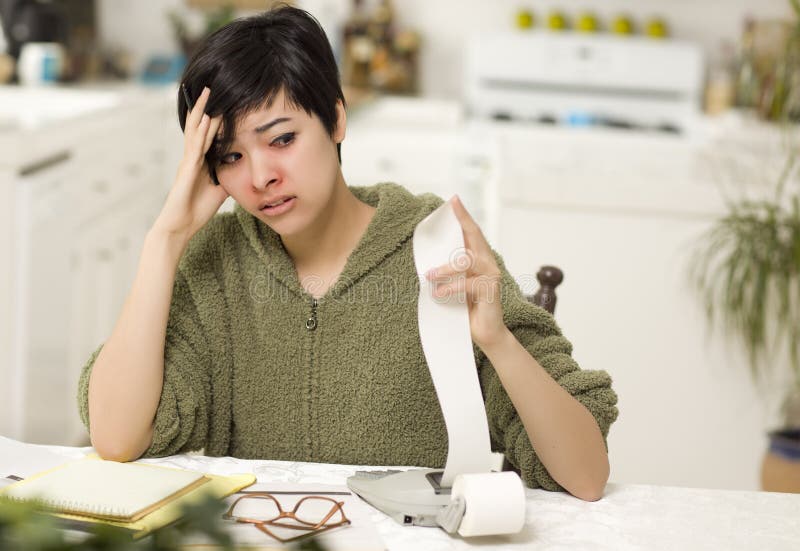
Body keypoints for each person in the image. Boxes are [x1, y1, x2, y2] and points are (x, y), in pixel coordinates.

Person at [78, 6, 617, 501]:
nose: (262, 176)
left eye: (282, 139)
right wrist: (165, 239)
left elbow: (586, 476)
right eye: (231, 156)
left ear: (336, 119)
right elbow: (116, 437)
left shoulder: (436, 246)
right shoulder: (214, 260)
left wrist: (498, 341)